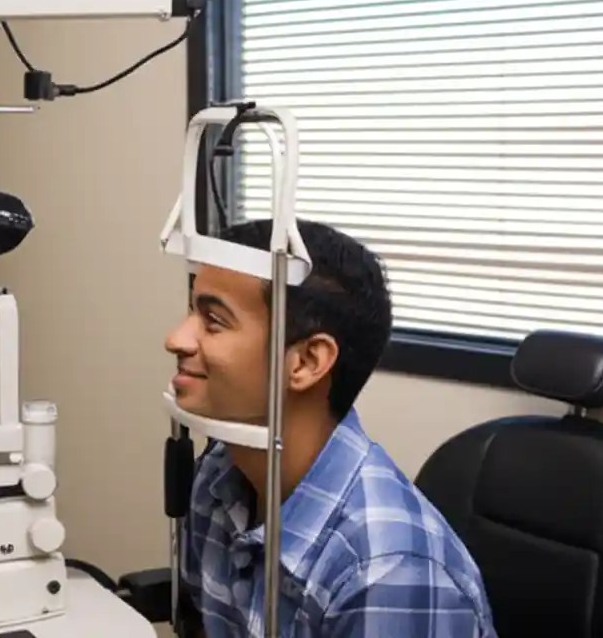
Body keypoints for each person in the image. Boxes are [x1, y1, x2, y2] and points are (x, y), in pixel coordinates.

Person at [165, 218, 496, 637]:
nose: (176, 338)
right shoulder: (219, 476)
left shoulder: (385, 571)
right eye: (191, 310)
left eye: (213, 321)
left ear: (305, 362)